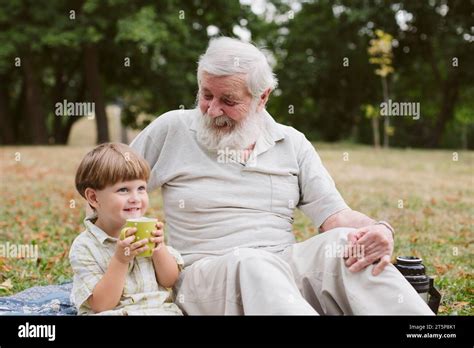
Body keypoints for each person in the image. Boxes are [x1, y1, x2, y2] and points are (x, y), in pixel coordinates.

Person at [130, 37, 433, 315]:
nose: (212, 110)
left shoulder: (291, 142)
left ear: (262, 97)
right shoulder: (173, 129)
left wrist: (381, 230)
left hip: (282, 267)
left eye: (228, 100)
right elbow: (109, 181)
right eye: (206, 95)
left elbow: (335, 217)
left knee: (346, 243)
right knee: (252, 262)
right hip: (204, 277)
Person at [70, 142, 184, 315]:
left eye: (141, 188)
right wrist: (121, 259)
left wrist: (158, 249)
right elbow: (101, 305)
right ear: (93, 197)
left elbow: (169, 280)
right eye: (123, 190)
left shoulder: (149, 229)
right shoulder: (84, 247)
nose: (135, 198)